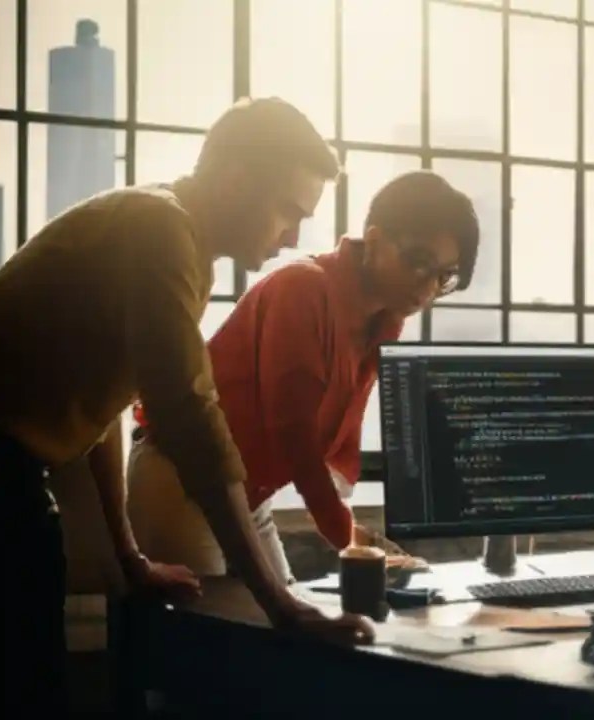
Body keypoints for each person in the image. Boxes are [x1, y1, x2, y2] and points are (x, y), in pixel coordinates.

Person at [0, 96, 376, 713]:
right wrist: (281, 604)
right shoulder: (160, 230)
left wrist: (129, 556)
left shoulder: (172, 239)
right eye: (287, 212)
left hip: (5, 469)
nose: (294, 236)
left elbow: (103, 404)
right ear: (237, 179)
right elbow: (190, 418)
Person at [126, 171, 479, 583]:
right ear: (377, 240)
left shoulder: (384, 319)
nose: (429, 288)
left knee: (288, 623)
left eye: (445, 275)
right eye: (419, 262)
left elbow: (339, 433)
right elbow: (294, 434)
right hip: (181, 478)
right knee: (218, 632)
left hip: (246, 493)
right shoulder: (305, 289)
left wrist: (351, 531)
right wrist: (345, 536)